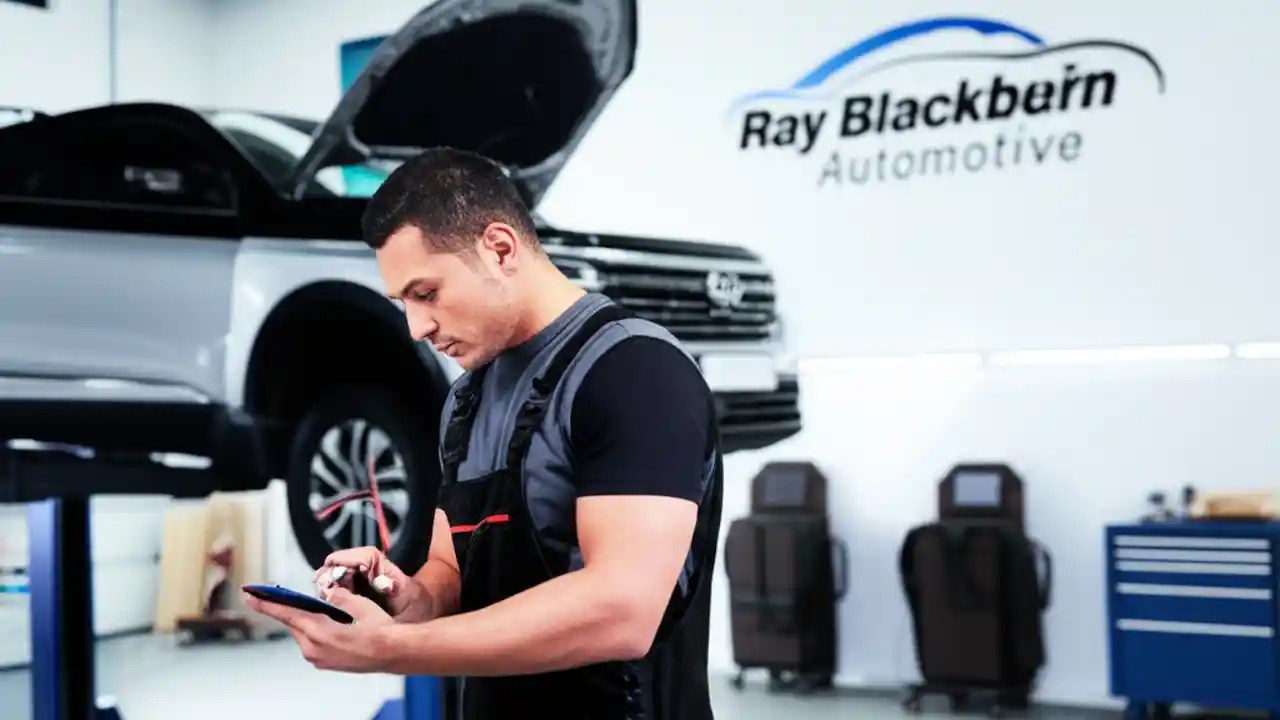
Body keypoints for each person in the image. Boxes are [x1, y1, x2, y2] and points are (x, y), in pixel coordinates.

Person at [244, 147, 724, 719]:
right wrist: (404, 599)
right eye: (402, 303)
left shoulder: (634, 373)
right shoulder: (466, 400)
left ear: (500, 248)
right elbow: (452, 573)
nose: (417, 328)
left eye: (426, 294)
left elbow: (622, 609)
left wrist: (394, 648)